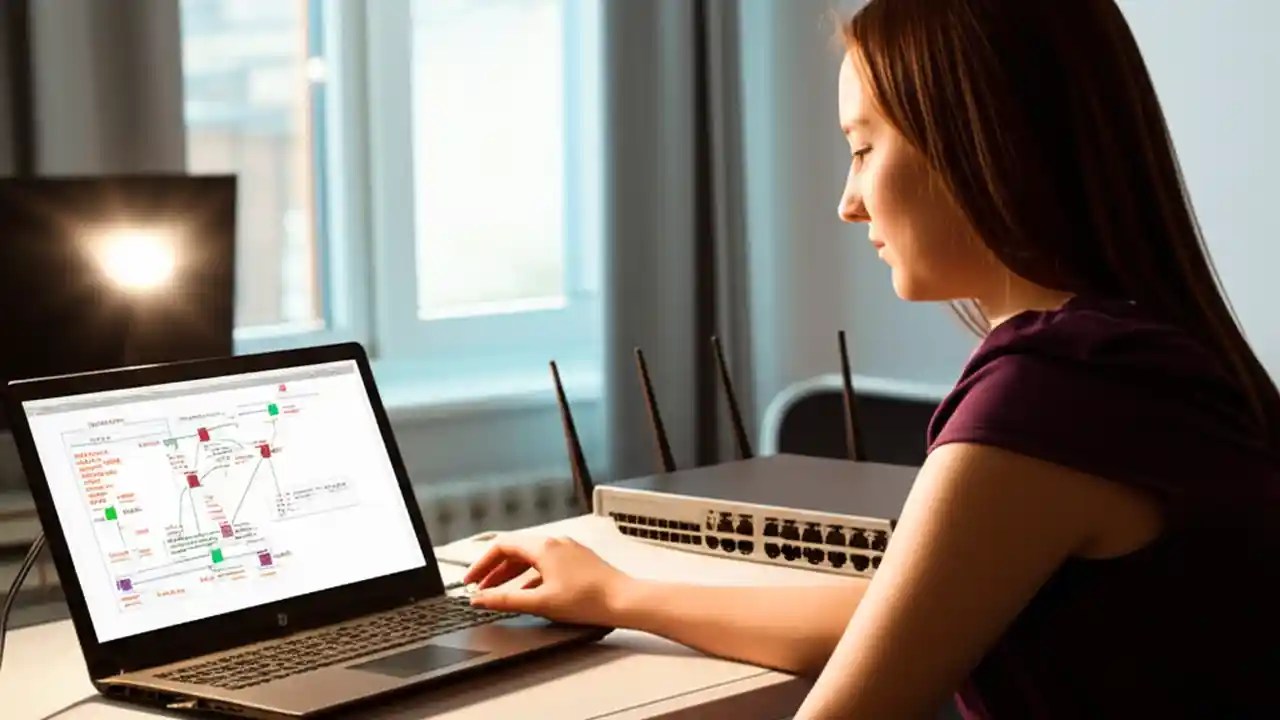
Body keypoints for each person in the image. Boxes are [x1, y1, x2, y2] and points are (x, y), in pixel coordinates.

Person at [464, 0, 1280, 717]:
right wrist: (618, 593)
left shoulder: (1048, 398)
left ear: (975, 143)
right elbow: (900, 616)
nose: (848, 204)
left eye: (861, 149)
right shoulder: (1157, 359)